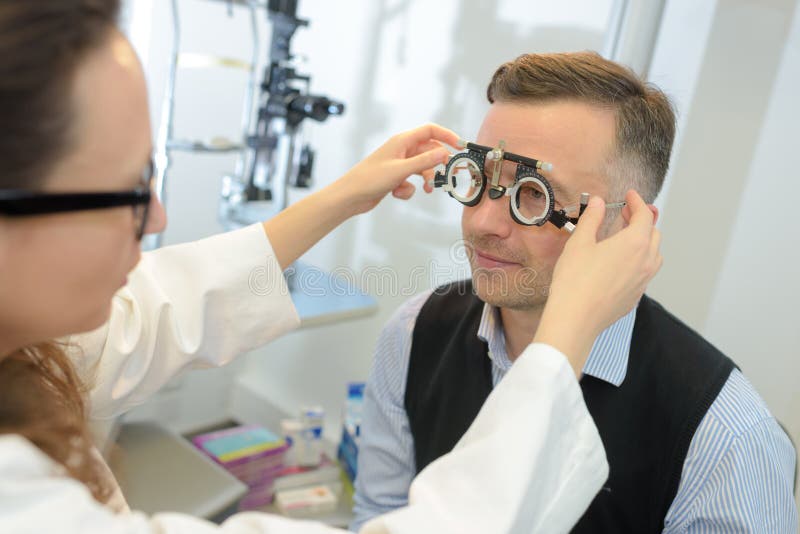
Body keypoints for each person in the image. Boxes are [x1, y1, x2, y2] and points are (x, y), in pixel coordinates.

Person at [0, 2, 665, 533]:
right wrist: (563, 344)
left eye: (528, 195)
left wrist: (338, 198)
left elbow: (140, 321)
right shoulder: (413, 336)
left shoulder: (723, 427)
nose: (157, 220)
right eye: (127, 187)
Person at [352, 51, 798, 533]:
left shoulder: (724, 437)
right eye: (479, 178)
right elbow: (381, 518)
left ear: (628, 225)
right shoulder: (416, 333)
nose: (482, 222)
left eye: (534, 195)